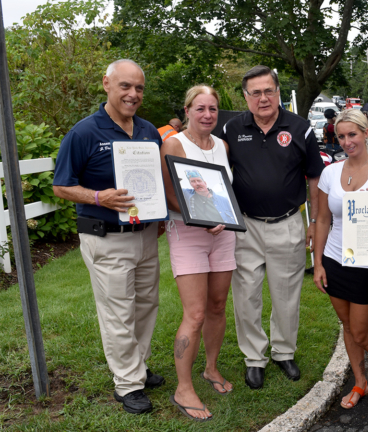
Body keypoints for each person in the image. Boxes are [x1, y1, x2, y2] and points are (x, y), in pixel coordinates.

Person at [52, 59, 165, 414]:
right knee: (118, 311)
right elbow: (61, 186)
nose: (133, 94)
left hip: (145, 235)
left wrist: (159, 214)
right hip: (106, 238)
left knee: (146, 305)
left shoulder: (149, 131)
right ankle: (127, 384)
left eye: (139, 88)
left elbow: (158, 180)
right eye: (125, 86)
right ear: (107, 84)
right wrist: (99, 197)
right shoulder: (84, 132)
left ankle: (138, 367)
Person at [222, 65, 325, 389]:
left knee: (286, 295)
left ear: (278, 92)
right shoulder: (231, 129)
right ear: (246, 97)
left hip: (287, 224)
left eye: (269, 91)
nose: (263, 98)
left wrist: (314, 222)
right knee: (246, 296)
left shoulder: (300, 128)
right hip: (245, 226)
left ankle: (283, 352)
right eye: (256, 93)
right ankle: (254, 358)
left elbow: (315, 177)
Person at [313, 109, 368, 409]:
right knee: (348, 327)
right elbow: (323, 220)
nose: (347, 141)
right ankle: (360, 381)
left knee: (362, 331)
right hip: (336, 259)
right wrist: (318, 264)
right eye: (341, 136)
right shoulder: (329, 173)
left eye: (352, 134)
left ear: (366, 133)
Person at [159, 85, 236, 421]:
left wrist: (220, 217)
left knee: (217, 305)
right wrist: (200, 218)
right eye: (200, 108)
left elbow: (224, 190)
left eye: (213, 109)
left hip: (222, 234)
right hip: (188, 234)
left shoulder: (222, 145)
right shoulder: (174, 144)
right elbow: (168, 194)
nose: (207, 115)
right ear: (187, 110)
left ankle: (211, 368)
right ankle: (183, 387)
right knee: (195, 314)